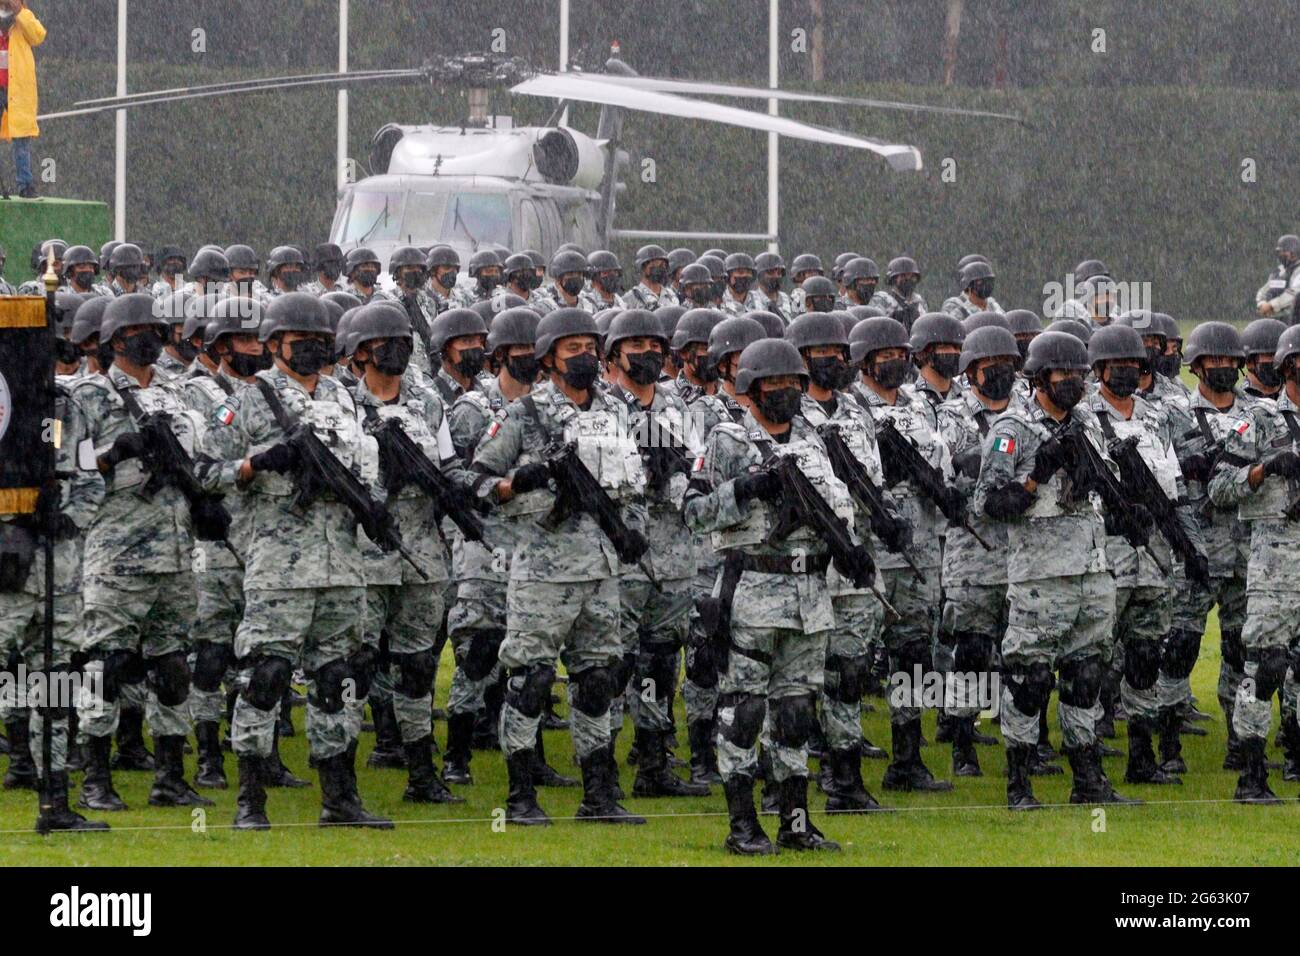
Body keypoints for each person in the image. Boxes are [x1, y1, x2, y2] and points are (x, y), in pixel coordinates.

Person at [199, 292, 392, 830]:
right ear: (275, 344)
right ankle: (251, 801)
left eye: (321, 341)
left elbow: (367, 467)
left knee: (336, 681)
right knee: (266, 675)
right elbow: (204, 471)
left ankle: (340, 798)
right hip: (280, 565)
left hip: (342, 565)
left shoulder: (345, 398)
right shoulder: (249, 399)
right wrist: (256, 464)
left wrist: (372, 503)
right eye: (301, 340)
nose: (312, 349)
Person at [469, 308, 648, 826]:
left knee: (597, 682)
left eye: (590, 348)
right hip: (543, 574)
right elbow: (475, 481)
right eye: (573, 350)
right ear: (547, 358)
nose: (586, 357)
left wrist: (630, 529)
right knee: (530, 682)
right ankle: (522, 798)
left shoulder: (613, 412)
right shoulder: (526, 414)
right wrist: (516, 484)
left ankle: (599, 796)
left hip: (601, 571)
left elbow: (630, 480)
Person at [684, 338, 850, 854]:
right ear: (751, 389)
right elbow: (693, 512)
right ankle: (742, 825)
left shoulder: (816, 439)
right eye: (773, 384)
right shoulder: (728, 441)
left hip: (809, 593)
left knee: (798, 712)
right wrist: (747, 489)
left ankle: (796, 821)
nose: (784, 392)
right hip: (751, 590)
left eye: (792, 384)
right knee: (744, 711)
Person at [974, 331, 1136, 808]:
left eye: (1079, 375)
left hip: (1091, 569)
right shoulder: (1014, 429)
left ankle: (1087, 779)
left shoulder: (1087, 424)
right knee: (1028, 680)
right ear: (1040, 378)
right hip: (1041, 577)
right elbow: (987, 505)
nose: (1074, 383)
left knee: (1086, 677)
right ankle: (1019, 784)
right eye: (1064, 375)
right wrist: (1036, 475)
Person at [71, 293, 213, 813]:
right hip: (118, 555)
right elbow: (64, 464)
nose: (149, 337)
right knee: (106, 667)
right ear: (113, 340)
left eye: (155, 327)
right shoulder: (88, 395)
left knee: (173, 667)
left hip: (176, 555)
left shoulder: (177, 394)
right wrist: (112, 453)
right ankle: (94, 777)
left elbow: (203, 457)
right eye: (137, 330)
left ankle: (170, 776)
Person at [1208, 323, 1300, 803]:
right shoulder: (1261, 420)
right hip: (1274, 563)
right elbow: (1219, 486)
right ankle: (1251, 771)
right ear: (1287, 367)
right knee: (1266, 667)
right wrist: (1265, 468)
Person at [0, 1, 44, 199]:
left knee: (22, 139)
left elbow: (38, 35)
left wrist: (19, 11)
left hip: (17, 88)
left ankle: (25, 185)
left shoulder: (23, 18)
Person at [1255, 235, 1300, 322]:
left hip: (1293, 321)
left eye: (1283, 251)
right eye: (1279, 252)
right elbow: (1263, 291)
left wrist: (1272, 305)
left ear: (1294, 252)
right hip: (1273, 320)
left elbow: (1294, 294)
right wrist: (1262, 303)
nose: (1280, 254)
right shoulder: (1279, 271)